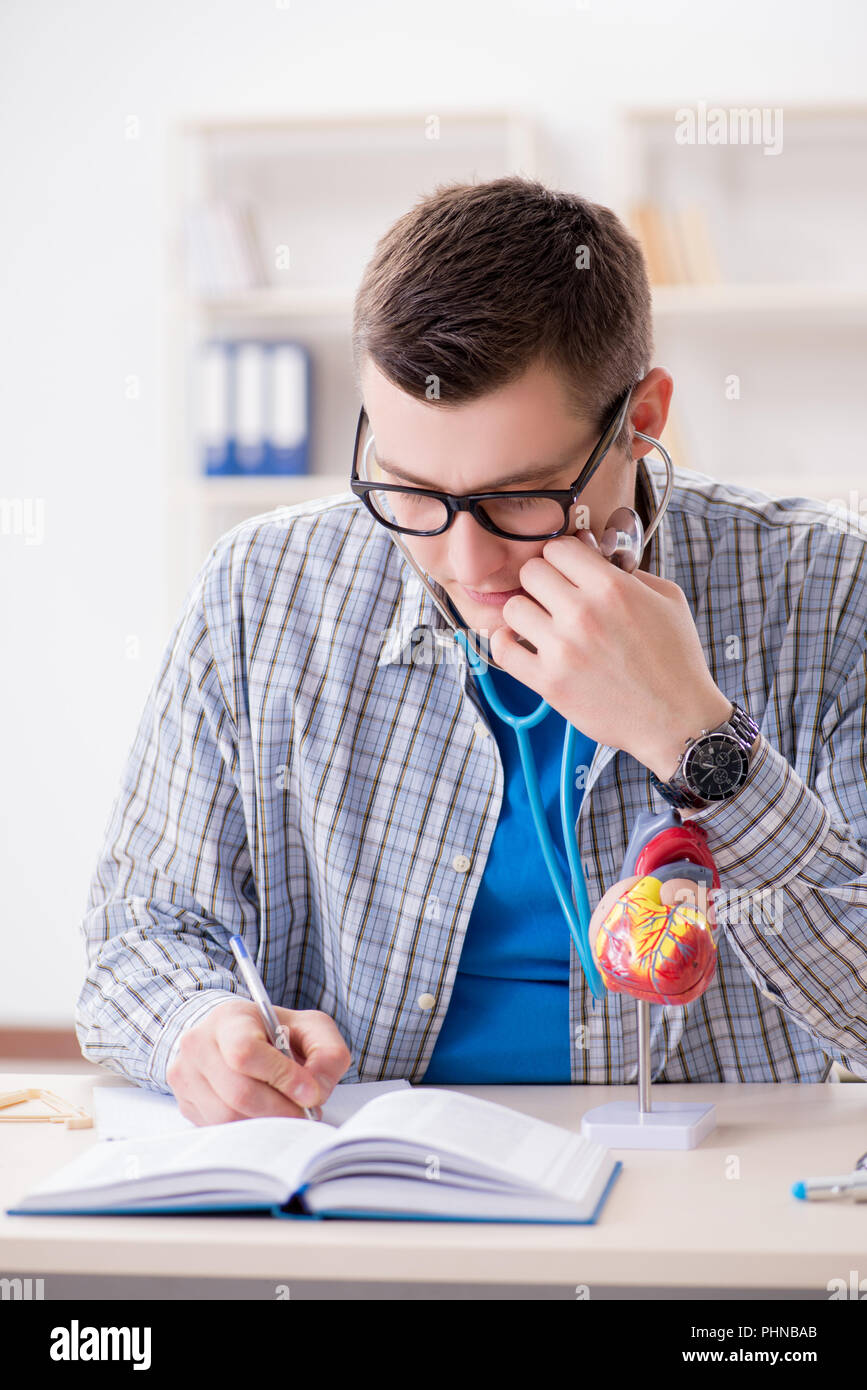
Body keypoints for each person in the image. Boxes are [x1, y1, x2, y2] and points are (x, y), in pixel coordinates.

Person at [75, 176, 867, 1125]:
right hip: (357, 1193)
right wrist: (195, 1026)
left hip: (700, 1203)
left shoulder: (825, 589)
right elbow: (139, 933)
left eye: (519, 497)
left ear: (643, 420)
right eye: (409, 489)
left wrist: (697, 741)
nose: (462, 560)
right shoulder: (261, 586)